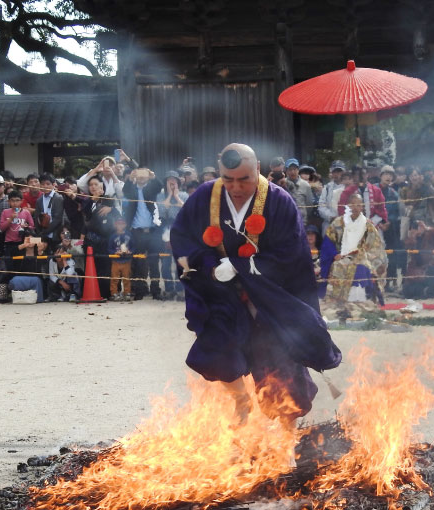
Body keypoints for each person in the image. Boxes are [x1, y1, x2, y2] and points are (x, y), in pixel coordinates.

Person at [170, 143, 341, 426]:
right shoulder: (205, 197)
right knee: (215, 348)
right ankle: (240, 398)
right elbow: (182, 237)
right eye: (228, 180)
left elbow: (291, 255)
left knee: (281, 363)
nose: (235, 188)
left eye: (244, 179)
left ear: (258, 170)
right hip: (222, 293)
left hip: (270, 296)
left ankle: (287, 439)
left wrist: (240, 266)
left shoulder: (279, 202)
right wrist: (211, 268)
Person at [320, 187, 387, 305]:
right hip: (341, 256)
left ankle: (360, 300)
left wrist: (364, 255)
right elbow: (328, 243)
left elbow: (376, 247)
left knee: (361, 267)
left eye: (358, 205)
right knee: (337, 266)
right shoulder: (338, 222)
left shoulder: (368, 225)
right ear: (347, 206)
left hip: (362, 257)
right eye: (352, 204)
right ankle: (338, 300)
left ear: (362, 207)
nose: (355, 208)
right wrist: (335, 255)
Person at [122, 168, 164, 300]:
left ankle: (156, 290)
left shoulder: (151, 189)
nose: (141, 177)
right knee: (139, 262)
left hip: (153, 231)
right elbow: (125, 190)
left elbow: (159, 186)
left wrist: (153, 176)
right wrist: (130, 178)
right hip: (137, 231)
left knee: (154, 262)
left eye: (143, 175)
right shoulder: (132, 190)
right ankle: (140, 290)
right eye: (138, 175)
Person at [158, 171, 187, 300]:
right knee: (165, 262)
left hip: (181, 231)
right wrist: (169, 195)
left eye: (174, 181)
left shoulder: (185, 195)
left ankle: (181, 290)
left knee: (180, 262)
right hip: (166, 230)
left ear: (178, 183)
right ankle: (169, 289)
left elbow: (188, 211)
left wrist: (177, 197)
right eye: (169, 181)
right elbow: (162, 212)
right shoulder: (160, 196)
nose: (172, 183)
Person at [35, 173, 65, 251]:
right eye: (42, 184)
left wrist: (45, 232)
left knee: (56, 258)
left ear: (53, 184)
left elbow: (58, 219)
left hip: (55, 234)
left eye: (48, 184)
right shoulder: (39, 200)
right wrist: (40, 233)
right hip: (43, 235)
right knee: (43, 257)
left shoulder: (58, 198)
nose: (45, 186)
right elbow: (36, 218)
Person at [317, 160, 347, 233]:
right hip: (329, 223)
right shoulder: (327, 188)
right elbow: (321, 206)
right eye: (334, 171)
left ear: (344, 172)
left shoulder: (348, 187)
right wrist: (331, 217)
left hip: (346, 224)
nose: (336, 174)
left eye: (339, 171)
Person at [108, 216, 134, 301]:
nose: (120, 226)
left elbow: (134, 246)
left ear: (125, 224)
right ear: (115, 225)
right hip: (116, 260)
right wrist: (114, 253)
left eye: (122, 224)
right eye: (118, 224)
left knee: (126, 278)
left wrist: (130, 251)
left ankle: (127, 293)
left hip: (126, 260)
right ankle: (114, 293)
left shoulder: (129, 235)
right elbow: (109, 248)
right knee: (114, 278)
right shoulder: (112, 236)